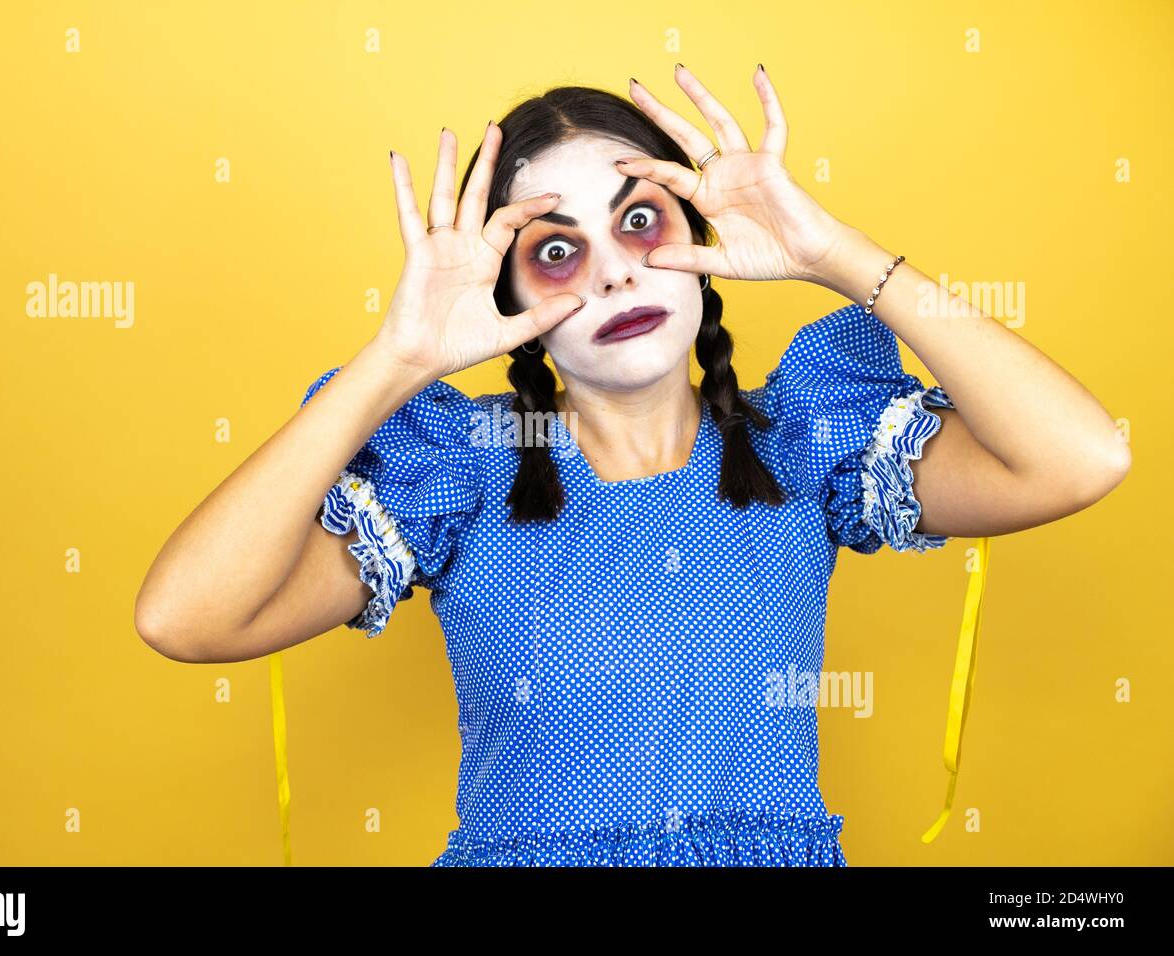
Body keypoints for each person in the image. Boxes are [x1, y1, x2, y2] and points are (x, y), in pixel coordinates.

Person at [135, 64, 1131, 866]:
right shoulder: (463, 471)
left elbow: (1079, 457)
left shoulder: (803, 441)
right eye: (557, 250)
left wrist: (832, 250)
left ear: (698, 234)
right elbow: (184, 617)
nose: (613, 267)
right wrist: (394, 361)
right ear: (509, 297)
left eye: (639, 220)